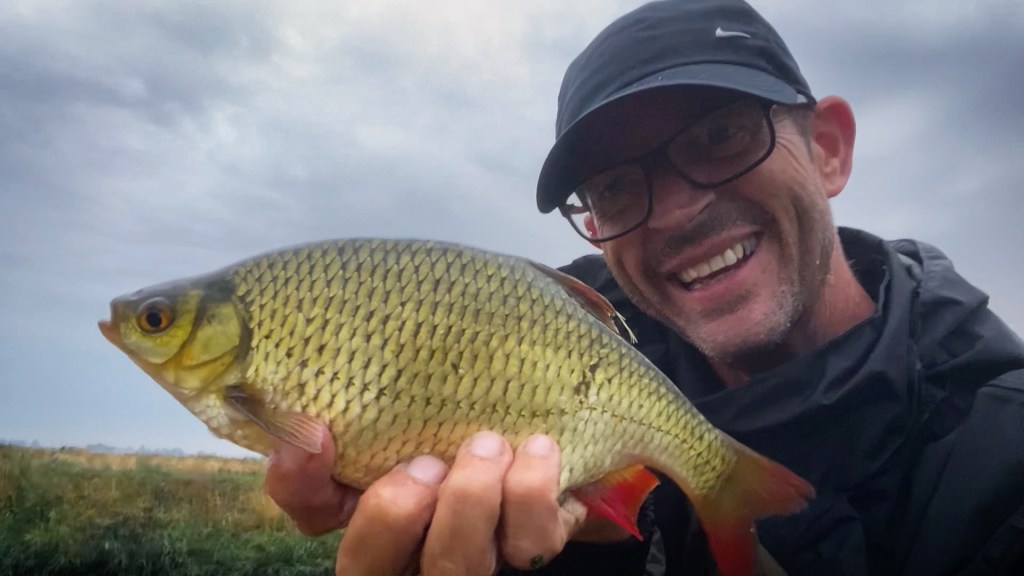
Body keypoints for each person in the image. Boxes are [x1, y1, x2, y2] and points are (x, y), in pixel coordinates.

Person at [264, 0, 1024, 574]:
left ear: (827, 150)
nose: (680, 211)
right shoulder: (565, 348)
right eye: (617, 186)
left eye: (720, 135)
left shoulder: (1001, 457)